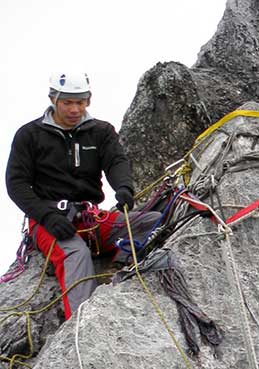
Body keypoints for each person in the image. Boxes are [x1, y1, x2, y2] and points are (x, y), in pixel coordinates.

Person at [5, 71, 161, 319]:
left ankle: (120, 264)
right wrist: (47, 217)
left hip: (89, 217)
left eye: (80, 102)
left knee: (151, 220)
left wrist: (124, 188)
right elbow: (16, 184)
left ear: (88, 100)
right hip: (48, 218)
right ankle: (80, 325)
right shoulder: (30, 135)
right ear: (53, 100)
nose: (75, 109)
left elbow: (115, 161)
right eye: (67, 102)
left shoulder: (100, 132)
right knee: (75, 254)